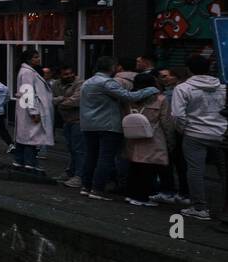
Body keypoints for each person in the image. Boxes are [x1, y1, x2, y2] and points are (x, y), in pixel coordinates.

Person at [78, 56, 159, 201]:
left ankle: (86, 186)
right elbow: (128, 96)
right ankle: (97, 189)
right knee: (105, 158)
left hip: (88, 125)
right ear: (111, 67)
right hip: (107, 125)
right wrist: (150, 90)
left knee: (90, 156)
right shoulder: (107, 82)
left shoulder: (87, 82)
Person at [169, 54, 225, 220]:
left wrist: (183, 130)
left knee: (195, 171)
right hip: (221, 134)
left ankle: (200, 207)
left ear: (188, 69)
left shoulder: (183, 88)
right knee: (224, 171)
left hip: (194, 134)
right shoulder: (222, 87)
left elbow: (178, 115)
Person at [122, 71, 173, 207]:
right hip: (153, 138)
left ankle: (131, 194)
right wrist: (170, 141)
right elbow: (166, 122)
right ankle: (142, 197)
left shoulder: (129, 98)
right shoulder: (161, 99)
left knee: (134, 167)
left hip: (132, 136)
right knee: (149, 169)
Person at [12, 51, 54, 176]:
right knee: (32, 137)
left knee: (24, 136)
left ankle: (19, 161)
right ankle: (30, 163)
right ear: (29, 59)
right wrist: (34, 111)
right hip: (29, 109)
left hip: (25, 108)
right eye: (35, 57)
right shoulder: (28, 72)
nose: (38, 59)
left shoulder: (27, 71)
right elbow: (28, 92)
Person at [52, 66, 84, 186]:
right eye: (65, 74)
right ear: (60, 75)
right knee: (71, 148)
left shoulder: (80, 84)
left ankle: (79, 176)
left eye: (71, 73)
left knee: (78, 149)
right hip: (66, 120)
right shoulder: (56, 85)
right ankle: (71, 172)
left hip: (78, 120)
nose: (69, 76)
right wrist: (62, 99)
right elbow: (50, 99)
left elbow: (76, 101)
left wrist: (60, 102)